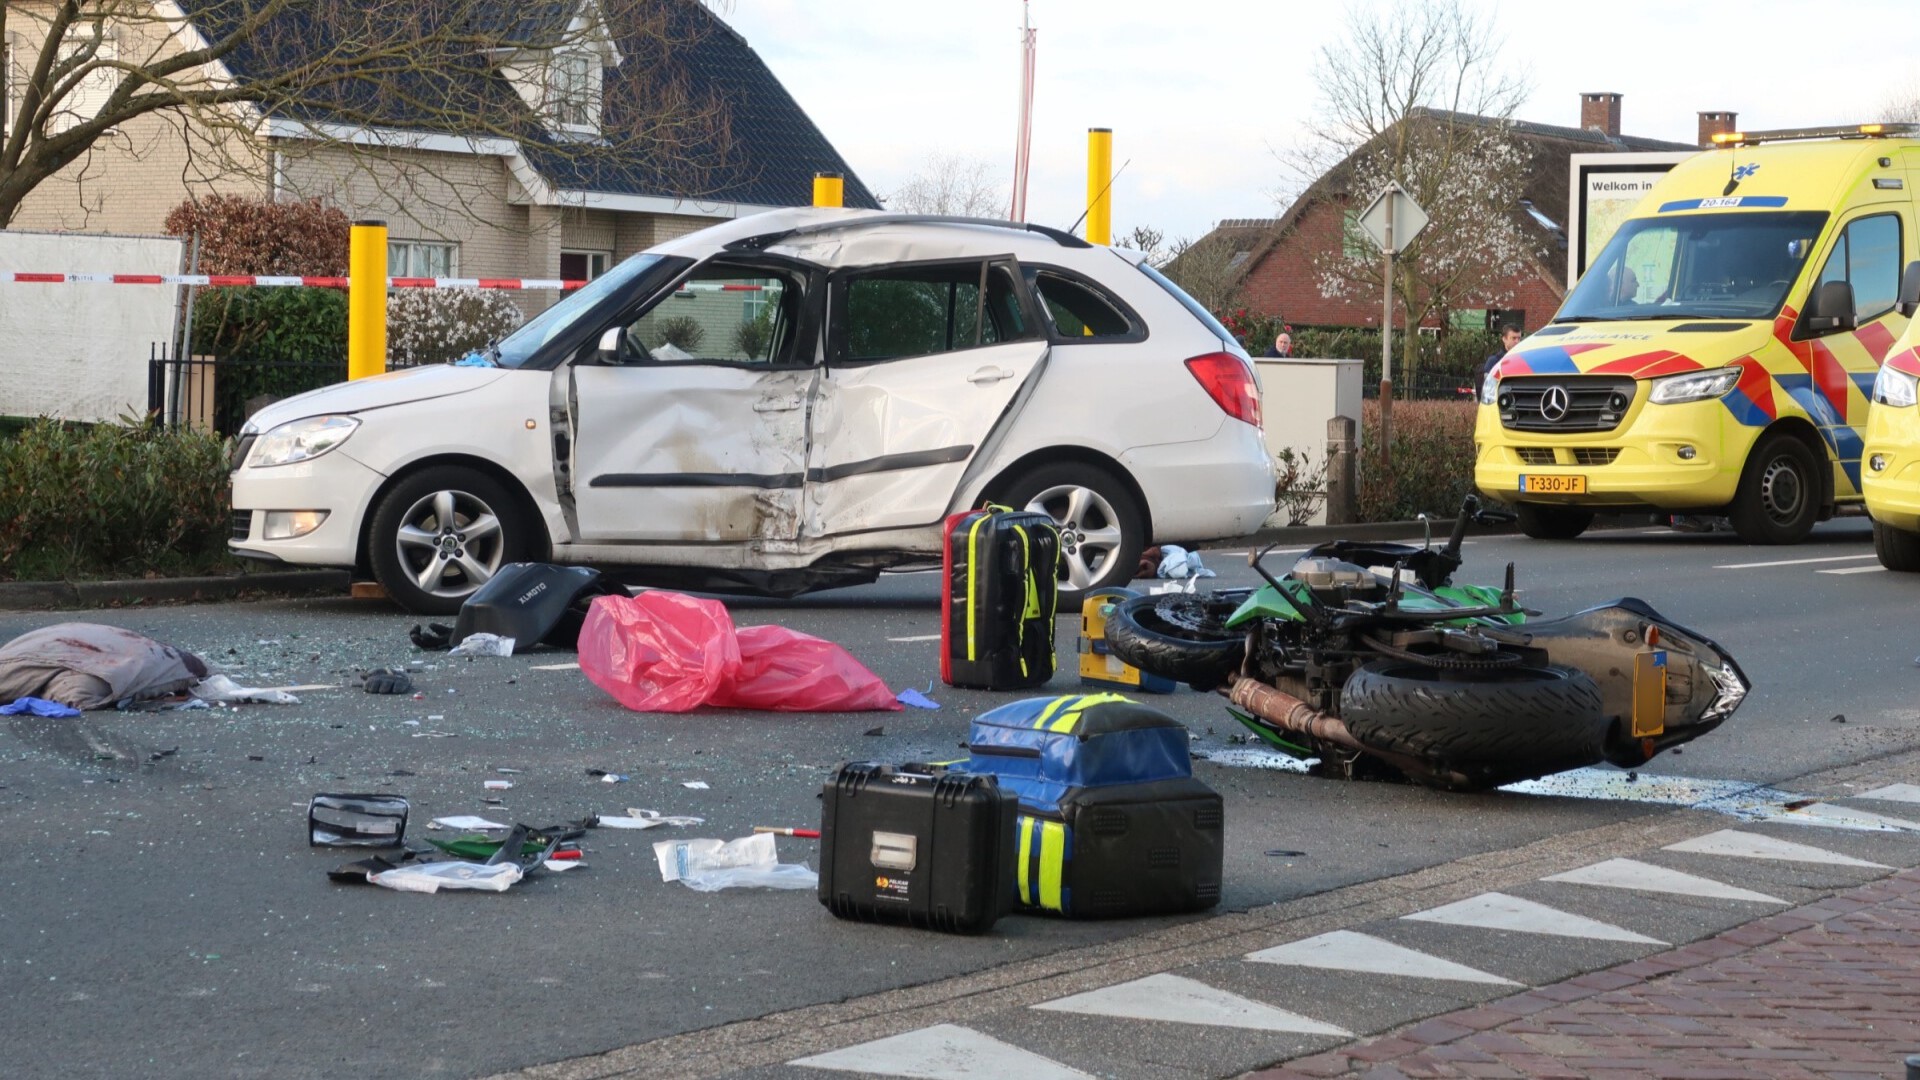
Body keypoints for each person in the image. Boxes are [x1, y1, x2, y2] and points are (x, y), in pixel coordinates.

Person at [1479, 324, 1523, 397]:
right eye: (1513, 338)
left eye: (1519, 338)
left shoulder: (1523, 360)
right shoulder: (1494, 361)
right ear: (1504, 339)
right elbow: (1487, 389)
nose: (1517, 341)